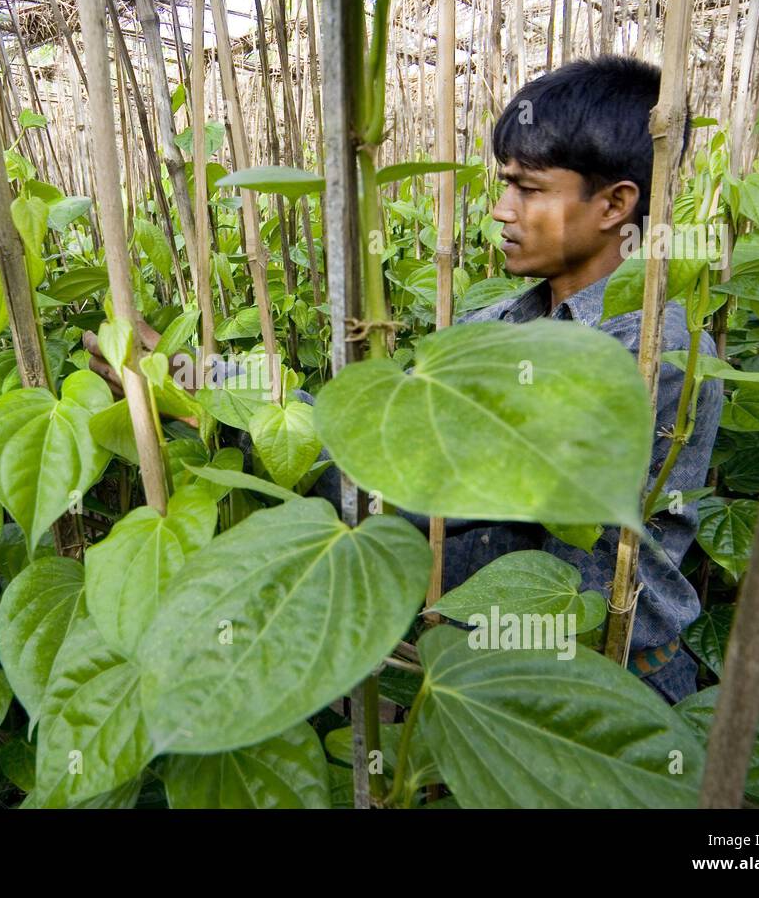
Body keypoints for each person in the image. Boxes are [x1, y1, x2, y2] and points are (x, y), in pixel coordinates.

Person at [85, 56, 722, 705]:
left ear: (616, 203)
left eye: (527, 189)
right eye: (502, 185)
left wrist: (219, 392)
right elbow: (395, 433)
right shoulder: (492, 320)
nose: (500, 210)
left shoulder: (651, 350)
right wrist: (213, 383)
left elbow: (422, 479)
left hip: (614, 683)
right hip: (482, 669)